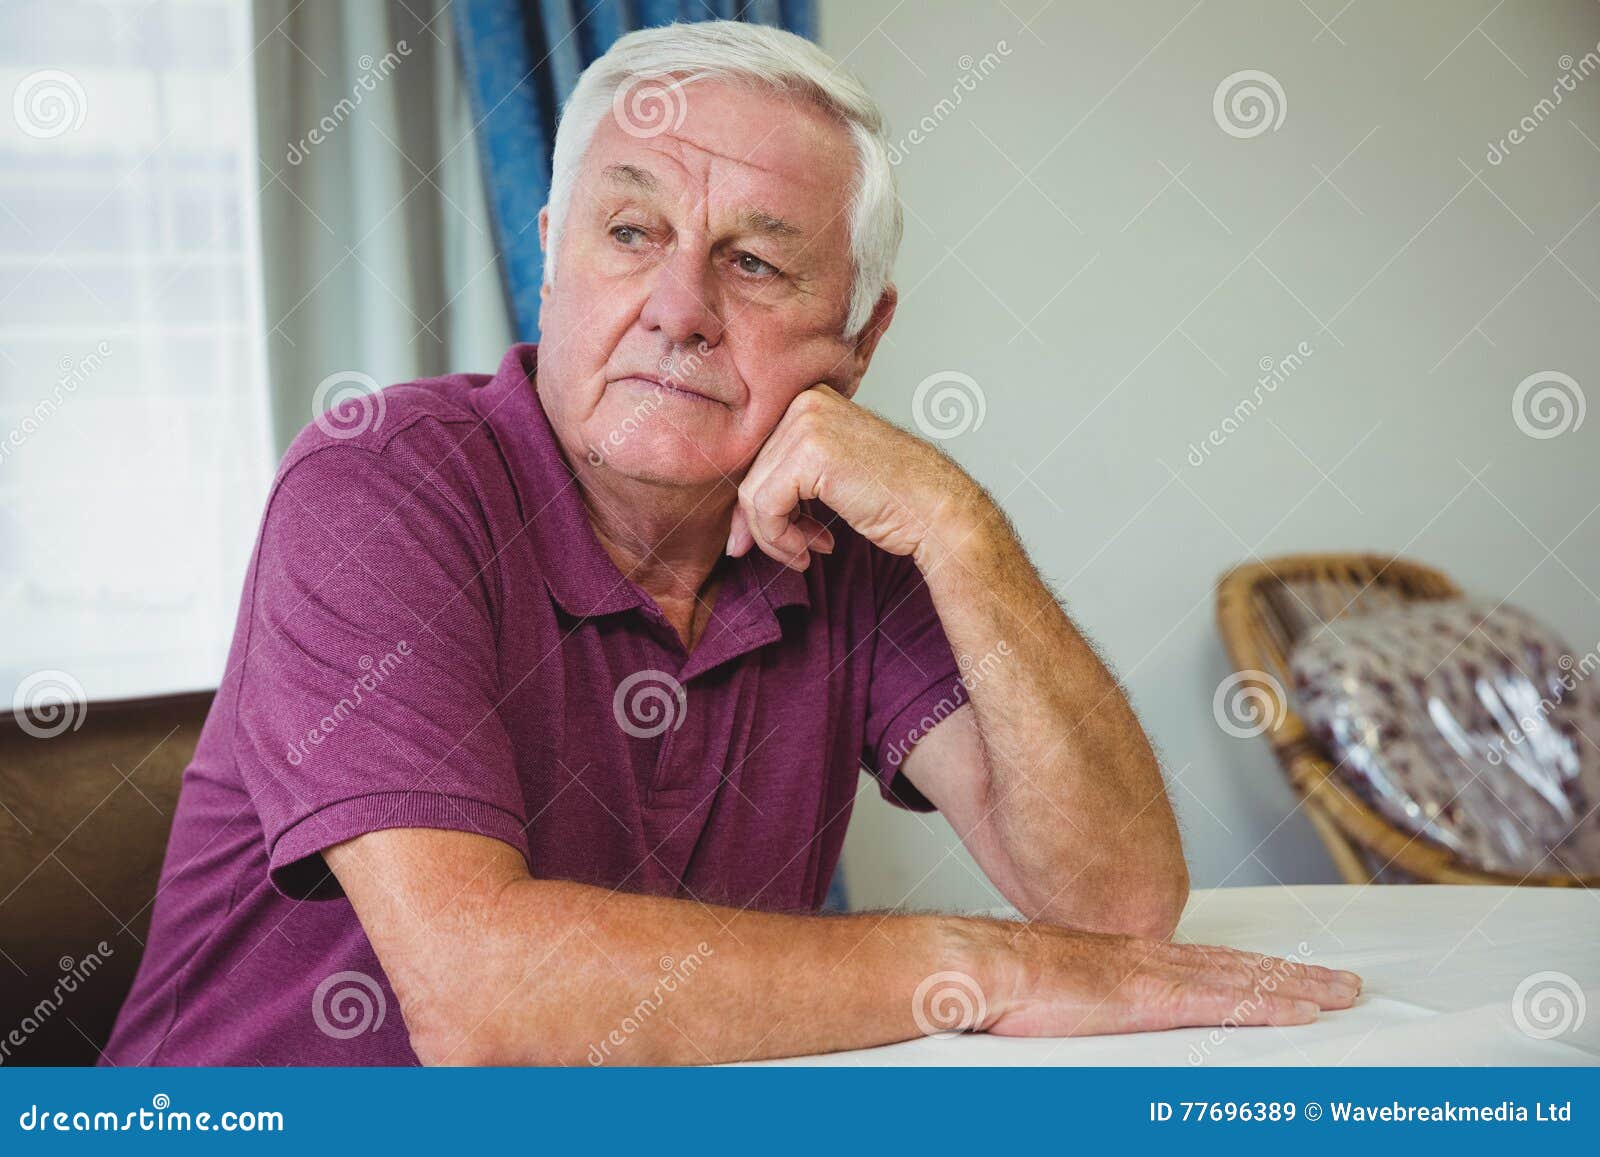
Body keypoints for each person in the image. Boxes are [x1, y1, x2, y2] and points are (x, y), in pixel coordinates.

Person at [104, 20, 1359, 1066]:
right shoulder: (379, 483)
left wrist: (958, 526)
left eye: (754, 262)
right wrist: (976, 960)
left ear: (860, 341)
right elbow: (482, 991)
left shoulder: (849, 527)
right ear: (549, 252)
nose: (678, 310)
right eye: (631, 233)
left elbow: (1113, 908)